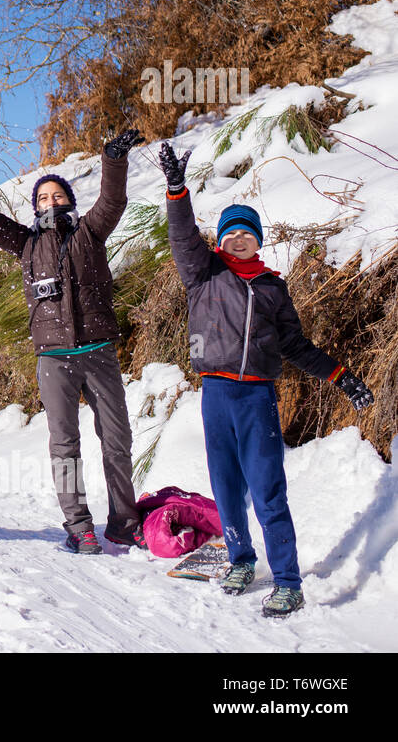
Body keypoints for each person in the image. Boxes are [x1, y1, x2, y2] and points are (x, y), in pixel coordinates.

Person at [159, 142, 373, 617]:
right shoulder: (203, 274)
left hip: (257, 398)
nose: (239, 240)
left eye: (247, 234)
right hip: (215, 395)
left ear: (259, 241)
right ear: (220, 240)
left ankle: (289, 581)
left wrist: (341, 376)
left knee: (268, 488)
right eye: (231, 233)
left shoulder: (274, 288)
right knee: (227, 488)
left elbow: (296, 345)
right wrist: (177, 191)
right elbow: (180, 237)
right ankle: (240, 560)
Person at [0, 128, 148, 554]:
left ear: (69, 201)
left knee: (118, 441)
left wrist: (113, 159)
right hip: (55, 359)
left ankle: (123, 521)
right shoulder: (25, 243)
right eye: (44, 198)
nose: (52, 201)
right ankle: (79, 525)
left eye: (58, 196)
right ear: (35, 208)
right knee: (65, 447)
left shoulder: (90, 233)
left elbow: (113, 201)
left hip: (99, 353)